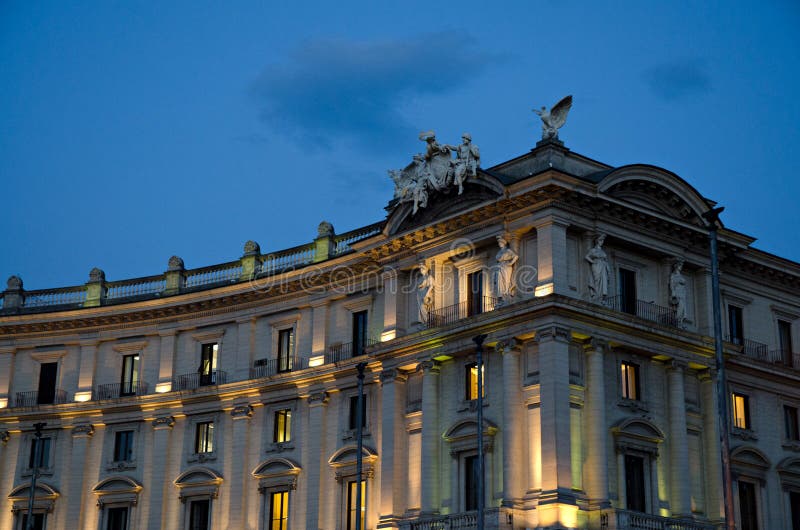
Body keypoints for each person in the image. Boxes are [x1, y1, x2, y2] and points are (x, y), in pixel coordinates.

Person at [586, 234, 610, 302]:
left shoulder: (603, 252)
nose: (602, 242)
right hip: (596, 266)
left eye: (602, 240)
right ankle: (596, 295)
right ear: (597, 241)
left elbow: (606, 261)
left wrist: (608, 269)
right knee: (597, 280)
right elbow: (587, 257)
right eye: (600, 240)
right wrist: (593, 262)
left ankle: (601, 296)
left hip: (603, 266)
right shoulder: (593, 250)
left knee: (603, 281)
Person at [495, 236, 519, 302]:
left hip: (506, 266)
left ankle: (506, 292)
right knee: (500, 281)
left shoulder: (508, 250)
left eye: (500, 242)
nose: (499, 244)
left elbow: (516, 256)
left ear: (503, 243)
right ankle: (501, 294)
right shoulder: (499, 252)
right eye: (499, 243)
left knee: (506, 279)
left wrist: (511, 263)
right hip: (499, 267)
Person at [670, 259, 687, 325]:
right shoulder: (673, 275)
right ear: (676, 266)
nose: (681, 267)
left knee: (682, 307)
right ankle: (678, 319)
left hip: (682, 293)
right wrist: (673, 292)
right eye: (680, 266)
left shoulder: (680, 275)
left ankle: (680, 320)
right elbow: (671, 284)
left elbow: (683, 282)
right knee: (680, 306)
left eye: (681, 266)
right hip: (678, 293)